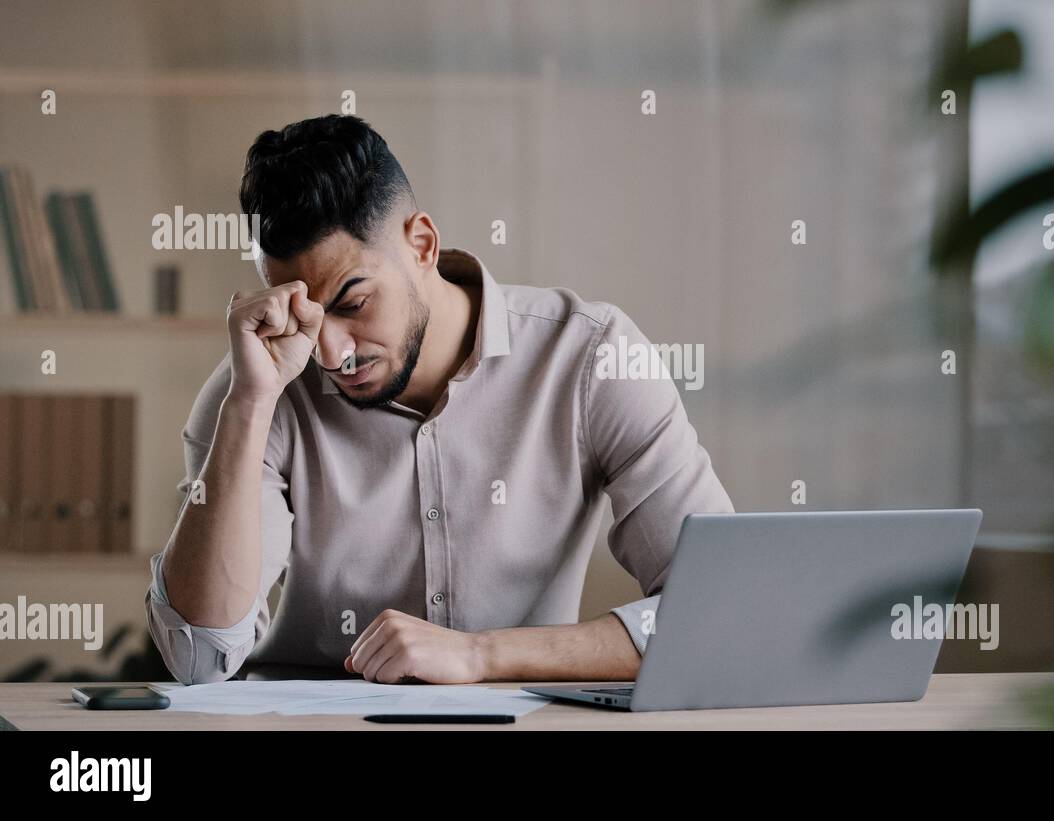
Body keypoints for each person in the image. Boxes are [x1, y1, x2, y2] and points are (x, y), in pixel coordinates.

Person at [145, 114, 732, 685]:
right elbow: (201, 656)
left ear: (421, 244)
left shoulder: (591, 357)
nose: (329, 353)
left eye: (352, 303)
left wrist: (480, 656)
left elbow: (720, 606)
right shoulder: (255, 385)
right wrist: (250, 405)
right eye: (303, 314)